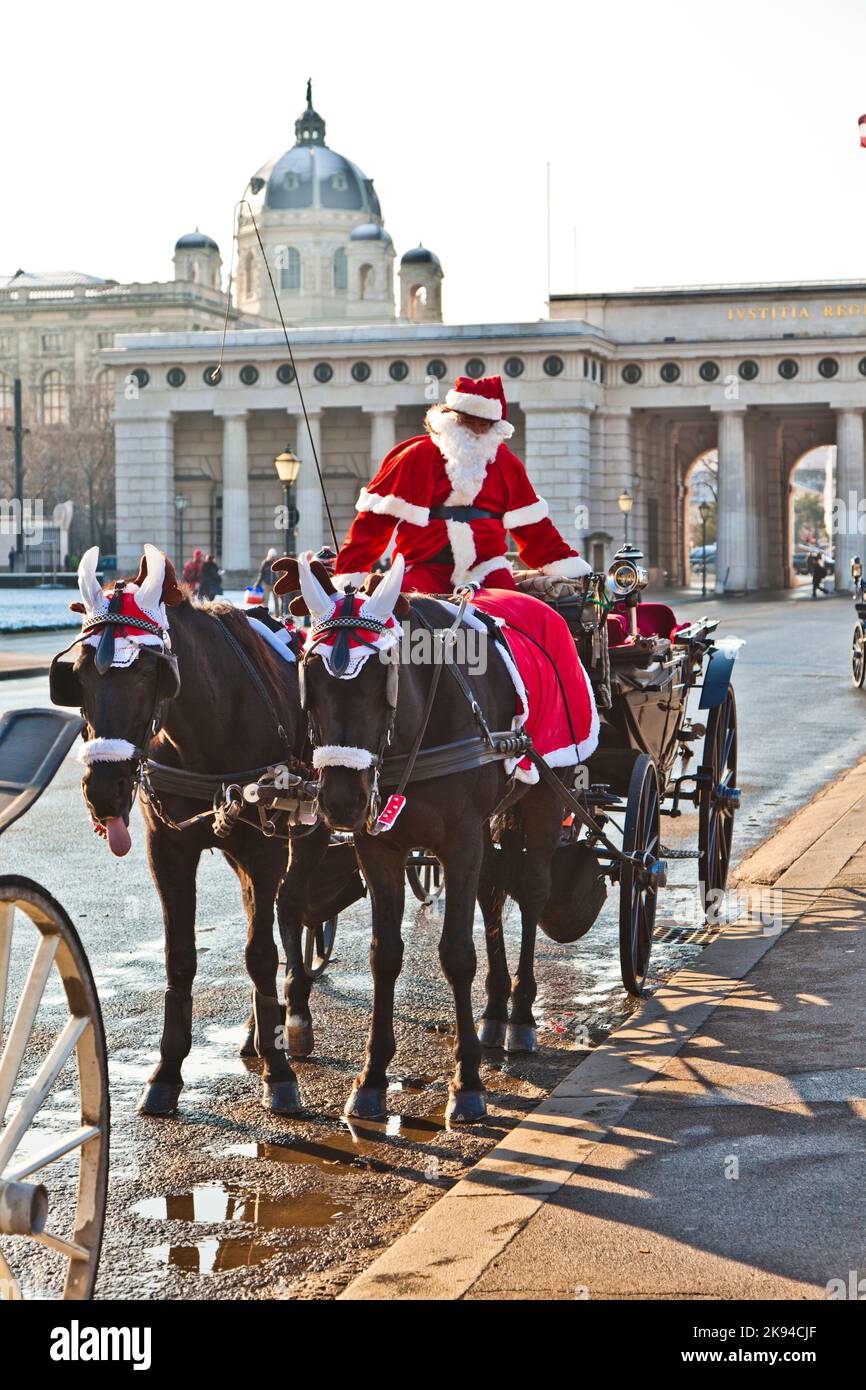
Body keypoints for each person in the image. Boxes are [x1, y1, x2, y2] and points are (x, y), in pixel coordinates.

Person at [332, 374, 590, 593]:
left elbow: (536, 531)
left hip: (488, 570)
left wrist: (569, 567)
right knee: (398, 618)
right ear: (452, 417)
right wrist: (349, 577)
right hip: (425, 567)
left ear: (494, 426)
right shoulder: (415, 457)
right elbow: (372, 526)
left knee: (519, 616)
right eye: (469, 421)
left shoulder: (506, 464)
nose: (477, 430)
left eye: (484, 424)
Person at [255, 546, 280, 614]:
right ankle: (265, 614)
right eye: (272, 556)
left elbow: (280, 574)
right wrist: (257, 584)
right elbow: (261, 574)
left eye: (274, 556)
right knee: (265, 600)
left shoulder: (277, 562)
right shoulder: (265, 563)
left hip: (275, 584)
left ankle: (277, 614)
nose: (273, 557)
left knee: (277, 601)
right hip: (266, 584)